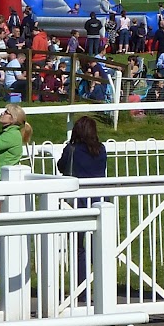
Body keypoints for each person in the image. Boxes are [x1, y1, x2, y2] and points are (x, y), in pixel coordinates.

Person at [58, 114, 108, 297]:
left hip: (78, 202)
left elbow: (61, 167)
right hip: (100, 199)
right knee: (100, 245)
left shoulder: (71, 149)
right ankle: (103, 285)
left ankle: (82, 289)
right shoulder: (101, 149)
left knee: (79, 246)